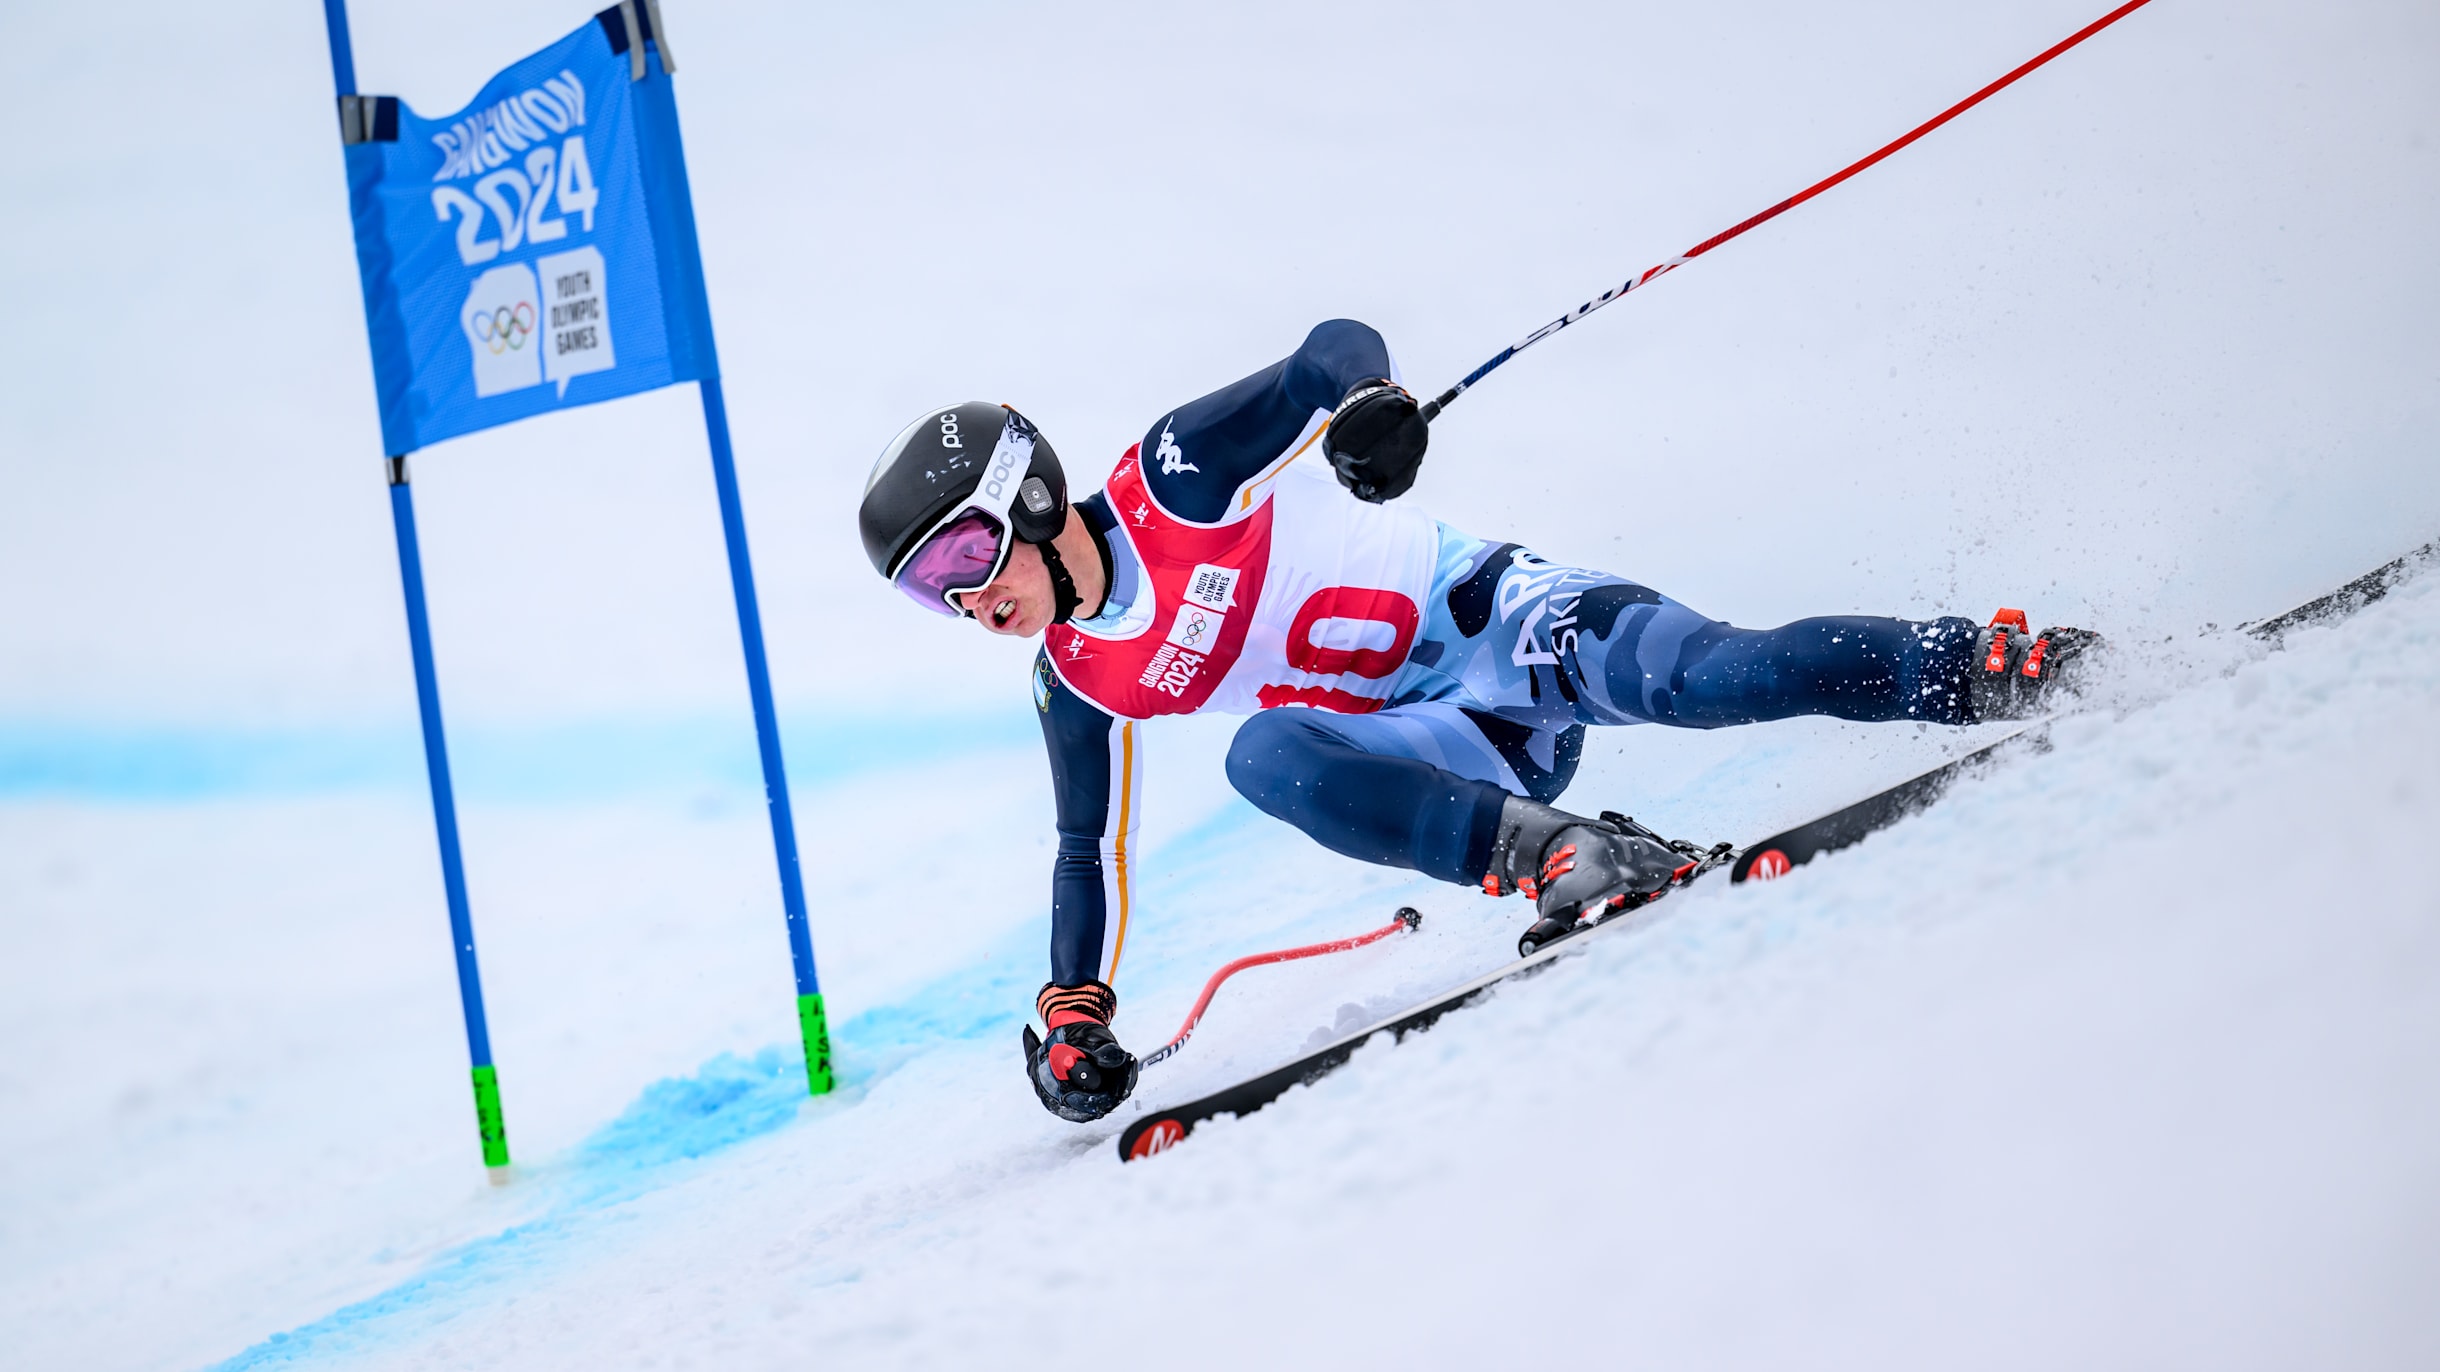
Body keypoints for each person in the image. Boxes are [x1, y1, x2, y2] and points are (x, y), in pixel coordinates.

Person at [856, 320, 2095, 1123]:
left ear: (1026, 493)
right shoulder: (1074, 674)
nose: (966, 599)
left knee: (1716, 678)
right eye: (928, 588)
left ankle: (1989, 665)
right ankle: (1570, 853)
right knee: (1264, 750)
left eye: (963, 552)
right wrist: (1074, 1008)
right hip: (1465, 758)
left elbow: (1323, 353)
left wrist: (1366, 405)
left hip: (1504, 623)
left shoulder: (1172, 479)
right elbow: (1089, 850)